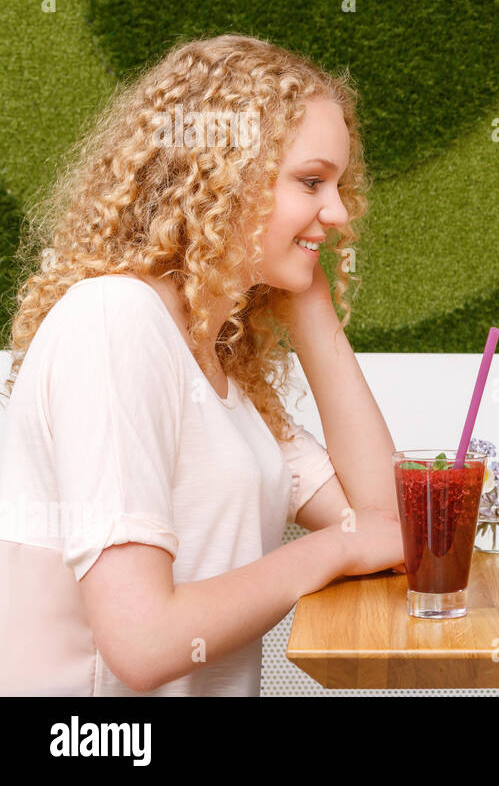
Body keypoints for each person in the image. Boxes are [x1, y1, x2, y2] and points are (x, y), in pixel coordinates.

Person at [0, 34, 406, 695]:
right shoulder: (115, 323)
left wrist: (314, 313)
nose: (336, 216)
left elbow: (394, 525)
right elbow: (142, 642)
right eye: (310, 182)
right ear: (226, 177)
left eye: (336, 186)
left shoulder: (221, 369)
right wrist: (334, 549)